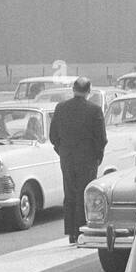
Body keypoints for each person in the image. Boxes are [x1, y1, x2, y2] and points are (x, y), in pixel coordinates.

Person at [49, 76, 107, 244]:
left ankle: (71, 232)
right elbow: (101, 138)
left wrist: (62, 150)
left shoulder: (61, 108)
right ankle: (83, 228)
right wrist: (98, 155)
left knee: (70, 193)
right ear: (88, 91)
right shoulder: (94, 110)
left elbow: (53, 136)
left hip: (67, 156)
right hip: (87, 158)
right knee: (85, 193)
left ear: (73, 90)